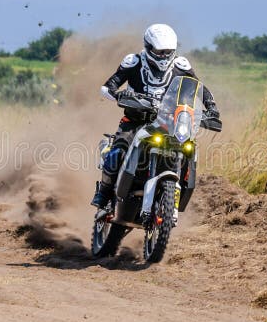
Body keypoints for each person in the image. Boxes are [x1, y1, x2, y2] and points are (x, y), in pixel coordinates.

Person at [91, 23, 219, 208]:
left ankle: (176, 192)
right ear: (148, 47)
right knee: (118, 150)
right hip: (134, 121)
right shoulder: (133, 62)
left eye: (168, 51)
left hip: (167, 123)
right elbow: (107, 87)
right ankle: (104, 192)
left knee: (188, 149)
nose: (164, 56)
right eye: (159, 51)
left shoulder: (181, 65)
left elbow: (199, 88)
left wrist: (211, 107)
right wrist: (121, 94)